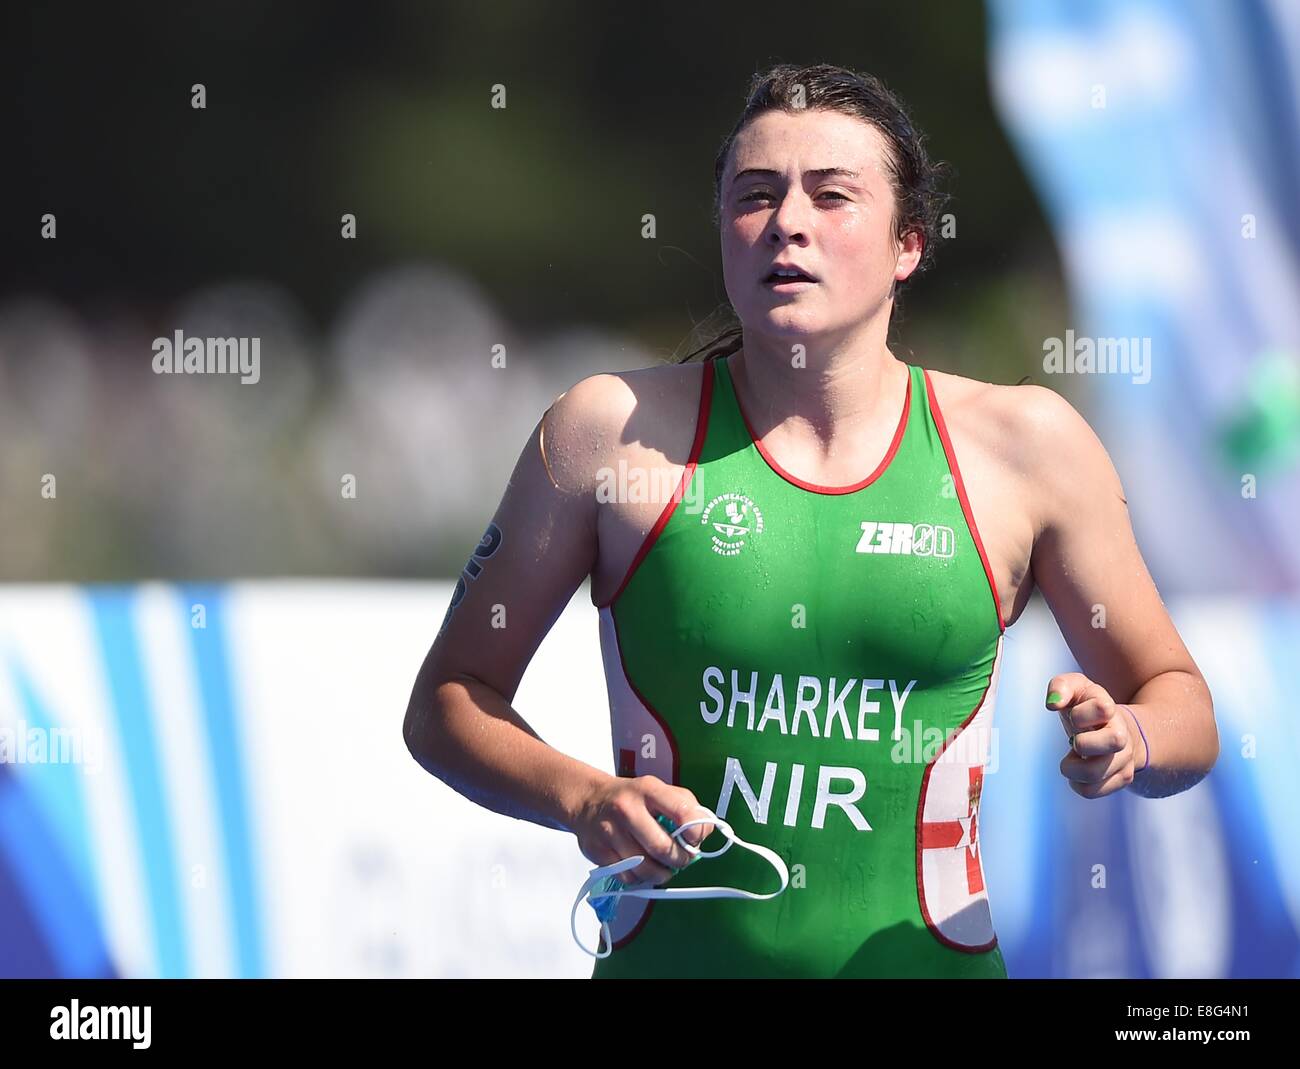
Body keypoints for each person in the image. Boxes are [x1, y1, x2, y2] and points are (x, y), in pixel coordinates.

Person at [402, 62, 1219, 978]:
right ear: (723, 232)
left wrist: (1134, 737)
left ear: (909, 243)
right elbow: (445, 703)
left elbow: (1181, 699)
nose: (788, 221)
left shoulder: (1028, 447)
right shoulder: (609, 434)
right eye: (755, 196)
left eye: (832, 196)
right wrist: (584, 797)